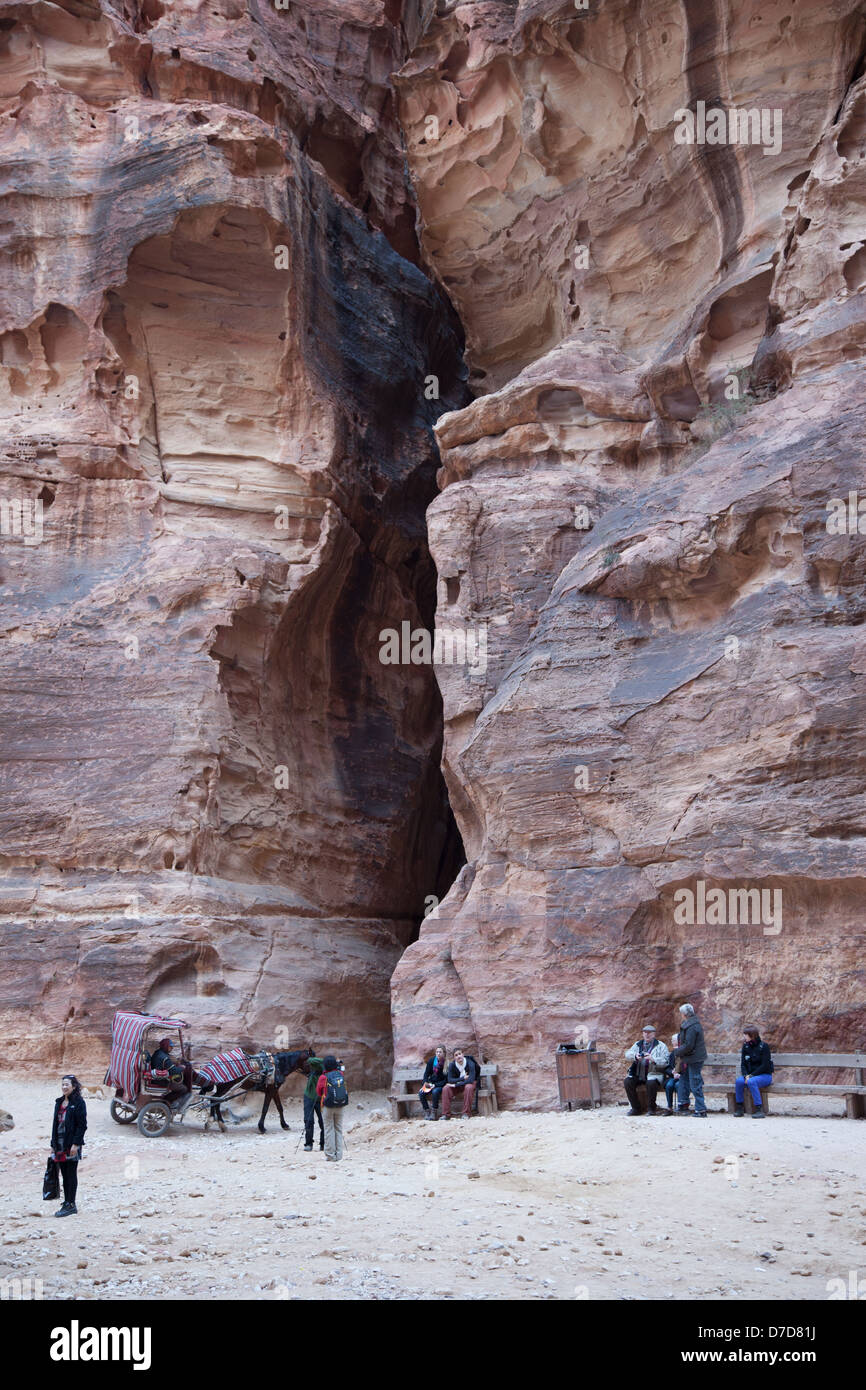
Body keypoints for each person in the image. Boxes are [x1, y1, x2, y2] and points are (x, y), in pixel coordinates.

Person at [50, 1075, 87, 1217]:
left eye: (67, 1084)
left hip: (71, 1144)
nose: (64, 1087)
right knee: (64, 1173)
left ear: (74, 1086)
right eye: (63, 1084)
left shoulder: (78, 1102)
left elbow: (82, 1126)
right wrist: (53, 1144)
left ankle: (71, 1204)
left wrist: (76, 1144)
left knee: (71, 1174)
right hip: (59, 1143)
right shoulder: (59, 1102)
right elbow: (55, 1124)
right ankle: (67, 1202)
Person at [624, 1025, 669, 1115]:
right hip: (638, 1074)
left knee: (651, 1083)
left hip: (654, 1073)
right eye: (645, 1032)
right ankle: (636, 1108)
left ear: (654, 1034)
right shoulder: (638, 1044)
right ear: (643, 1034)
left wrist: (653, 1059)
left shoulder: (661, 1046)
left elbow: (666, 1061)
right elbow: (627, 1054)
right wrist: (635, 1056)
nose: (647, 1035)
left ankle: (651, 1108)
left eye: (649, 1033)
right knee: (628, 1081)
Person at [673, 1003, 708, 1116]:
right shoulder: (693, 1023)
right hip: (692, 1057)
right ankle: (684, 1104)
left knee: (695, 1082)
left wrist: (677, 1051)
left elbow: (689, 1045)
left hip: (693, 1058)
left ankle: (701, 1109)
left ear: (684, 1014)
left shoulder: (691, 1026)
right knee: (685, 1079)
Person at [734, 1027, 774, 1117]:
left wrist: (751, 1075)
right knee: (739, 1081)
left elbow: (765, 1065)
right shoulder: (746, 1046)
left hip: (764, 1076)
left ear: (752, 1036)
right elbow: (743, 1064)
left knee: (752, 1081)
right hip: (750, 1076)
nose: (744, 1037)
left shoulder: (764, 1046)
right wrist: (745, 1075)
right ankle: (740, 1107)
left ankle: (759, 1109)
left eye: (746, 1035)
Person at [316, 1055, 348, 1160]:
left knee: (329, 1129)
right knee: (338, 1129)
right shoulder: (340, 1074)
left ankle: (330, 1155)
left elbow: (319, 1092)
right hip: (340, 1105)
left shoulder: (323, 1077)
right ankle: (339, 1155)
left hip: (328, 1106)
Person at [441, 1048, 478, 1120]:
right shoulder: (452, 1065)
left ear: (463, 1054)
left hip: (469, 1083)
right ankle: (446, 1114)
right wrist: (462, 1078)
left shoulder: (470, 1063)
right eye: (456, 1055)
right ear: (454, 1058)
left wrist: (455, 1084)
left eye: (460, 1054)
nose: (458, 1056)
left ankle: (466, 1113)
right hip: (459, 1084)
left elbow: (470, 1079)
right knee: (446, 1088)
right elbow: (450, 1080)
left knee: (468, 1087)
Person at [419, 1045, 448, 1121]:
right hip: (431, 1083)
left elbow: (446, 1080)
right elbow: (426, 1074)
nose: (438, 1054)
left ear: (444, 1053)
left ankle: (434, 1112)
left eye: (440, 1052)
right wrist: (425, 1082)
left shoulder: (447, 1063)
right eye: (437, 1052)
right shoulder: (431, 1061)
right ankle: (427, 1111)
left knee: (435, 1092)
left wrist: (435, 1085)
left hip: (440, 1084)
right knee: (421, 1093)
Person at [665, 1033, 692, 1113]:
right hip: (673, 1076)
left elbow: (687, 1067)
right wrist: (672, 1072)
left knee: (678, 1085)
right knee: (669, 1085)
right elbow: (668, 1067)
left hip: (683, 1077)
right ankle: (669, 1106)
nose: (672, 1042)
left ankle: (682, 1105)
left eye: (673, 1040)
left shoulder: (685, 1052)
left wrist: (680, 1074)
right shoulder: (672, 1053)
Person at [303, 1052, 325, 1151]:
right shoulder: (317, 1069)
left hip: (321, 1098)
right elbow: (310, 1060)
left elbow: (310, 1060)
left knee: (323, 1121)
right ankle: (308, 1143)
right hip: (309, 1097)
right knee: (308, 1120)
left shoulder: (325, 1073)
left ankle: (323, 1144)